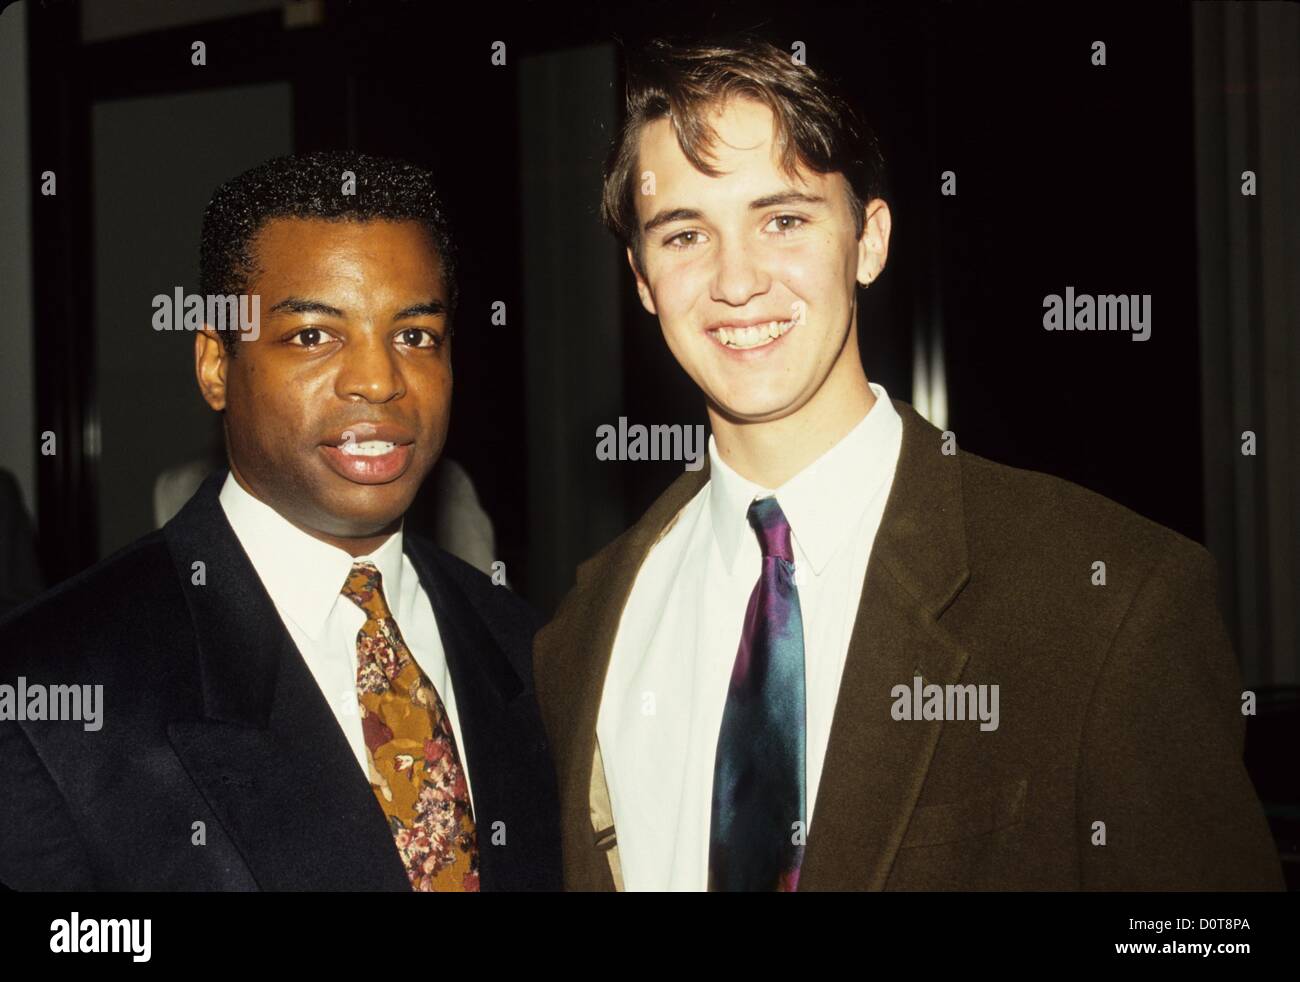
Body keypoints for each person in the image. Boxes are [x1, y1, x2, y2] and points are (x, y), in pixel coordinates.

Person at [532, 37, 1282, 891]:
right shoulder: (587, 629)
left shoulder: (1107, 602)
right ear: (640, 279)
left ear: (868, 240)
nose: (735, 281)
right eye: (685, 235)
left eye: (783, 220)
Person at [0, 151, 561, 891]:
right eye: (312, 335)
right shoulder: (51, 697)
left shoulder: (533, 651)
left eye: (416, 335)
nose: (379, 379)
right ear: (215, 364)